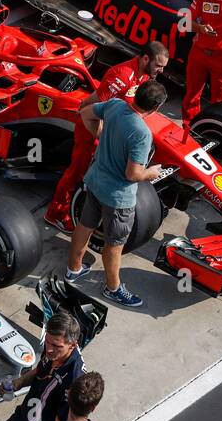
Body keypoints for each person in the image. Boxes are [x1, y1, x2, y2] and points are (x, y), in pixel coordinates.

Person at [44, 41, 167, 233]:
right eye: (158, 65)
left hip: (109, 127)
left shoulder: (143, 76)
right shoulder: (122, 75)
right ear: (145, 58)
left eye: (163, 67)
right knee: (77, 172)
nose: (160, 71)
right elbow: (92, 109)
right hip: (91, 125)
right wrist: (103, 137)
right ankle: (55, 213)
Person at [66, 79, 166, 308]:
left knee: (85, 225)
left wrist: (101, 136)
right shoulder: (141, 133)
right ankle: (112, 289)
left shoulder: (115, 105)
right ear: (156, 108)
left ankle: (73, 269)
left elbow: (85, 113)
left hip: (95, 182)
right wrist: (150, 173)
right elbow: (133, 174)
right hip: (118, 198)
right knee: (115, 244)